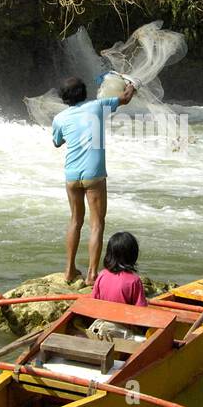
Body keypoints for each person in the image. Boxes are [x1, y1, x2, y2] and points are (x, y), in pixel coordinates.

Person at [51, 73, 136, 284]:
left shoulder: (59, 118)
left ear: (64, 98)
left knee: (75, 221)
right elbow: (125, 98)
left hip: (71, 175)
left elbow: (57, 142)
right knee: (97, 224)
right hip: (94, 175)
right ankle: (91, 275)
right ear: (84, 93)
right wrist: (133, 84)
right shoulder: (97, 106)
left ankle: (69, 271)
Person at [91, 232, 147, 307]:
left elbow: (94, 300)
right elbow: (141, 309)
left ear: (109, 254)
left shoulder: (102, 275)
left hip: (101, 316)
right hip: (122, 318)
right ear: (133, 255)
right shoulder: (134, 281)